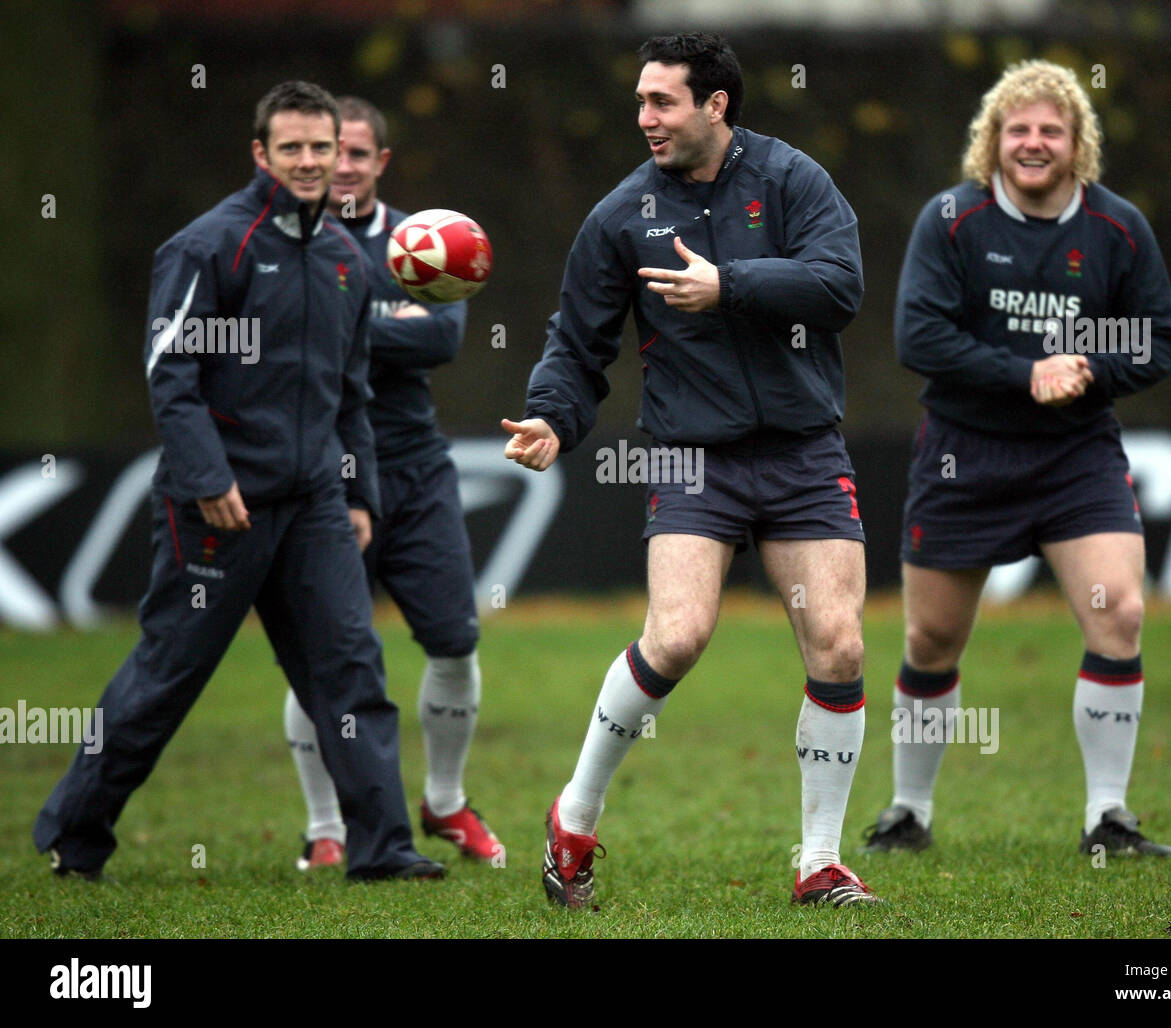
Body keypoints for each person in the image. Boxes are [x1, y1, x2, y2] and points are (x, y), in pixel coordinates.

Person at [502, 32, 880, 908]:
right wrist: (556, 418)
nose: (645, 119)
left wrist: (732, 285)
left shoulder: (793, 180)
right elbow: (578, 341)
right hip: (689, 455)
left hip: (802, 450)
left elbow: (840, 286)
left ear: (716, 105)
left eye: (662, 102)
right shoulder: (621, 215)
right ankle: (575, 818)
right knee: (676, 635)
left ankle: (819, 863)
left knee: (840, 641)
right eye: (640, 102)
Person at [33, 81, 442, 882]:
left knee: (351, 669)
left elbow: (351, 393)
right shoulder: (207, 247)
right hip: (216, 508)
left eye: (321, 147)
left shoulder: (346, 260)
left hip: (317, 502)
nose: (309, 161)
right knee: (165, 679)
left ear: (338, 152)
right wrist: (207, 475)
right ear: (261, 154)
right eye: (290, 147)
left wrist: (359, 494)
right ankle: (73, 838)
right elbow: (170, 374)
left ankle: (383, 848)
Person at [860, 60, 1171, 858]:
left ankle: (1109, 817)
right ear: (992, 141)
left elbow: (1158, 338)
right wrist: (1025, 373)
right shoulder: (951, 220)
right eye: (1018, 129)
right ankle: (908, 813)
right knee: (932, 641)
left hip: (1078, 456)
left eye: (1051, 130)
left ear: (1078, 145)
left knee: (1121, 615)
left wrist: (1089, 368)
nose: (1034, 143)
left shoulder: (1119, 228)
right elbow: (920, 338)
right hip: (963, 455)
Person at [281, 96, 502, 871]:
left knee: (456, 642)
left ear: (380, 162)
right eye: (329, 151)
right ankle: (325, 825)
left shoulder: (423, 238)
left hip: (414, 464)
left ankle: (444, 801)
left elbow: (439, 336)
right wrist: (379, 319)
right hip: (323, 468)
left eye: (356, 153)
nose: (340, 165)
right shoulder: (288, 238)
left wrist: (326, 320)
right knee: (323, 654)